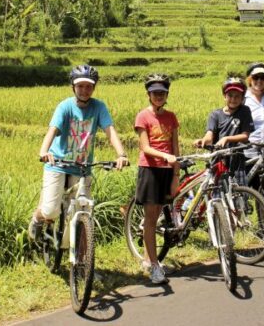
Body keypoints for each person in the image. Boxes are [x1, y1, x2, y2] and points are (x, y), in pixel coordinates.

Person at [28, 65, 129, 245]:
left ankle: (82, 263)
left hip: (82, 167)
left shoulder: (99, 107)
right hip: (57, 163)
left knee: (83, 213)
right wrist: (44, 151)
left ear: (94, 87)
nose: (84, 90)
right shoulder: (65, 106)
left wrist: (121, 154)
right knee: (50, 210)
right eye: (80, 86)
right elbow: (53, 130)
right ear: (73, 86)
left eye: (89, 86)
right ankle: (37, 219)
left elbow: (110, 130)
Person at [134, 73, 179, 284]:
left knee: (156, 216)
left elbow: (175, 145)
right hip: (150, 169)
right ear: (148, 95)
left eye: (162, 92)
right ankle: (154, 266)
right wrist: (167, 157)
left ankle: (148, 258)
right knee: (151, 220)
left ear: (166, 94)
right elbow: (145, 147)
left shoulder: (171, 117)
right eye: (155, 93)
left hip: (166, 170)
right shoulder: (143, 116)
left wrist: (176, 172)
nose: (158, 96)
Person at [195, 77, 254, 160]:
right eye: (230, 95)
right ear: (224, 96)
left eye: (237, 96)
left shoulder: (244, 111)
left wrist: (226, 139)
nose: (233, 99)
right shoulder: (215, 115)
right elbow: (210, 133)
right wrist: (204, 140)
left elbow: (245, 135)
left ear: (242, 98)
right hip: (219, 158)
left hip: (237, 158)